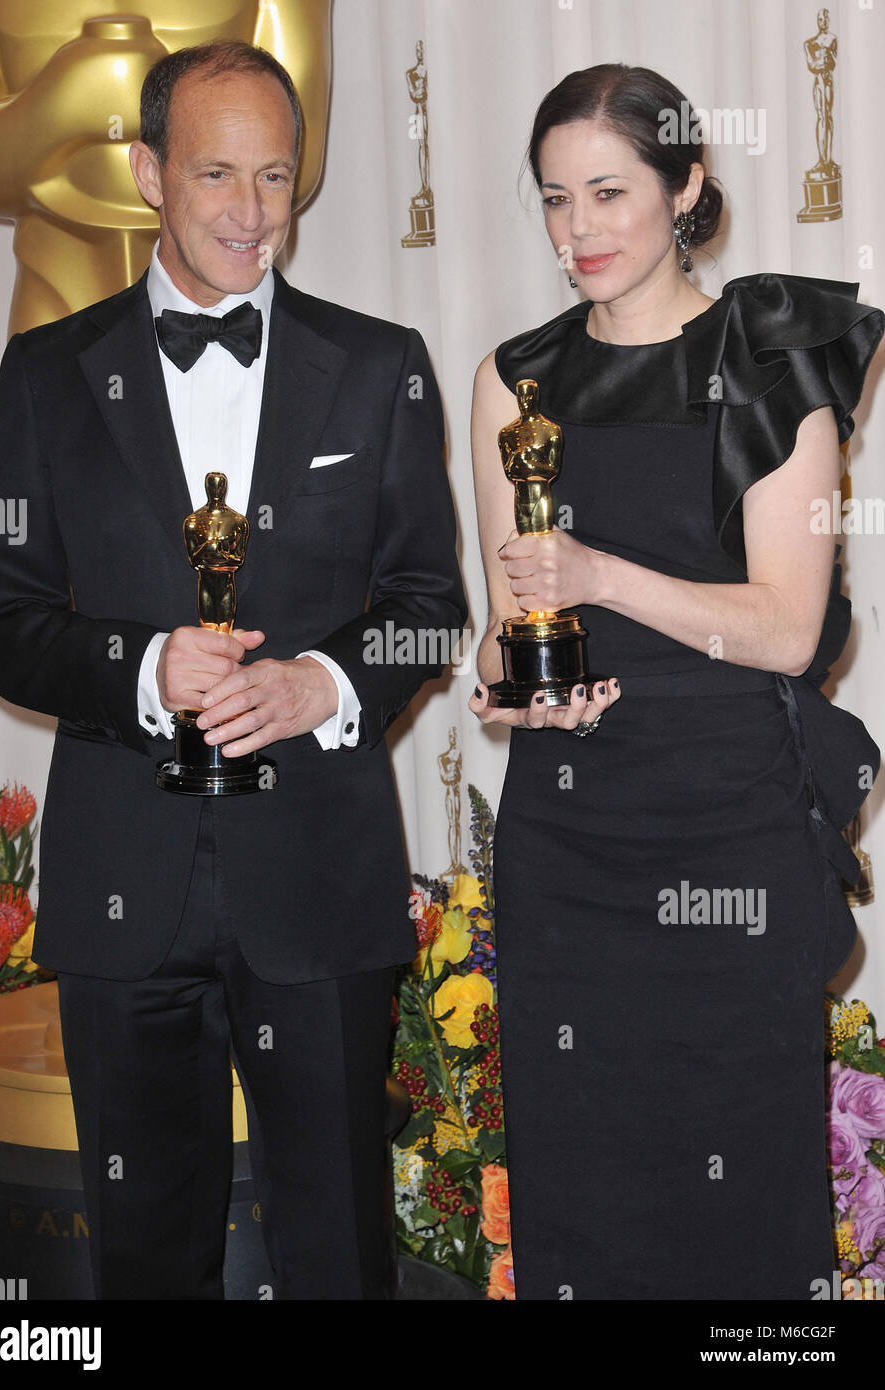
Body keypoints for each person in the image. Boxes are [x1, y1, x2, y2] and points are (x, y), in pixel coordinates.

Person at [0, 39, 465, 1300]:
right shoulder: (45, 373)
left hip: (319, 881)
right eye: (216, 175)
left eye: (277, 178)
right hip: (124, 893)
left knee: (340, 1255)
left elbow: (426, 610)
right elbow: (2, 623)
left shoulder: (381, 363)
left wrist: (323, 687)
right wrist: (142, 668)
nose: (252, 215)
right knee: (142, 1263)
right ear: (147, 173)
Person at [469, 63, 882, 1300]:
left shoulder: (770, 361)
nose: (577, 230)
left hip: (726, 827)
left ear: (685, 186)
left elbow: (785, 629)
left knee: (741, 1188)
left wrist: (600, 570)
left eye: (607, 192)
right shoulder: (513, 377)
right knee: (576, 1177)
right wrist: (513, 682)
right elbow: (508, 622)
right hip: (568, 833)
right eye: (553, 199)